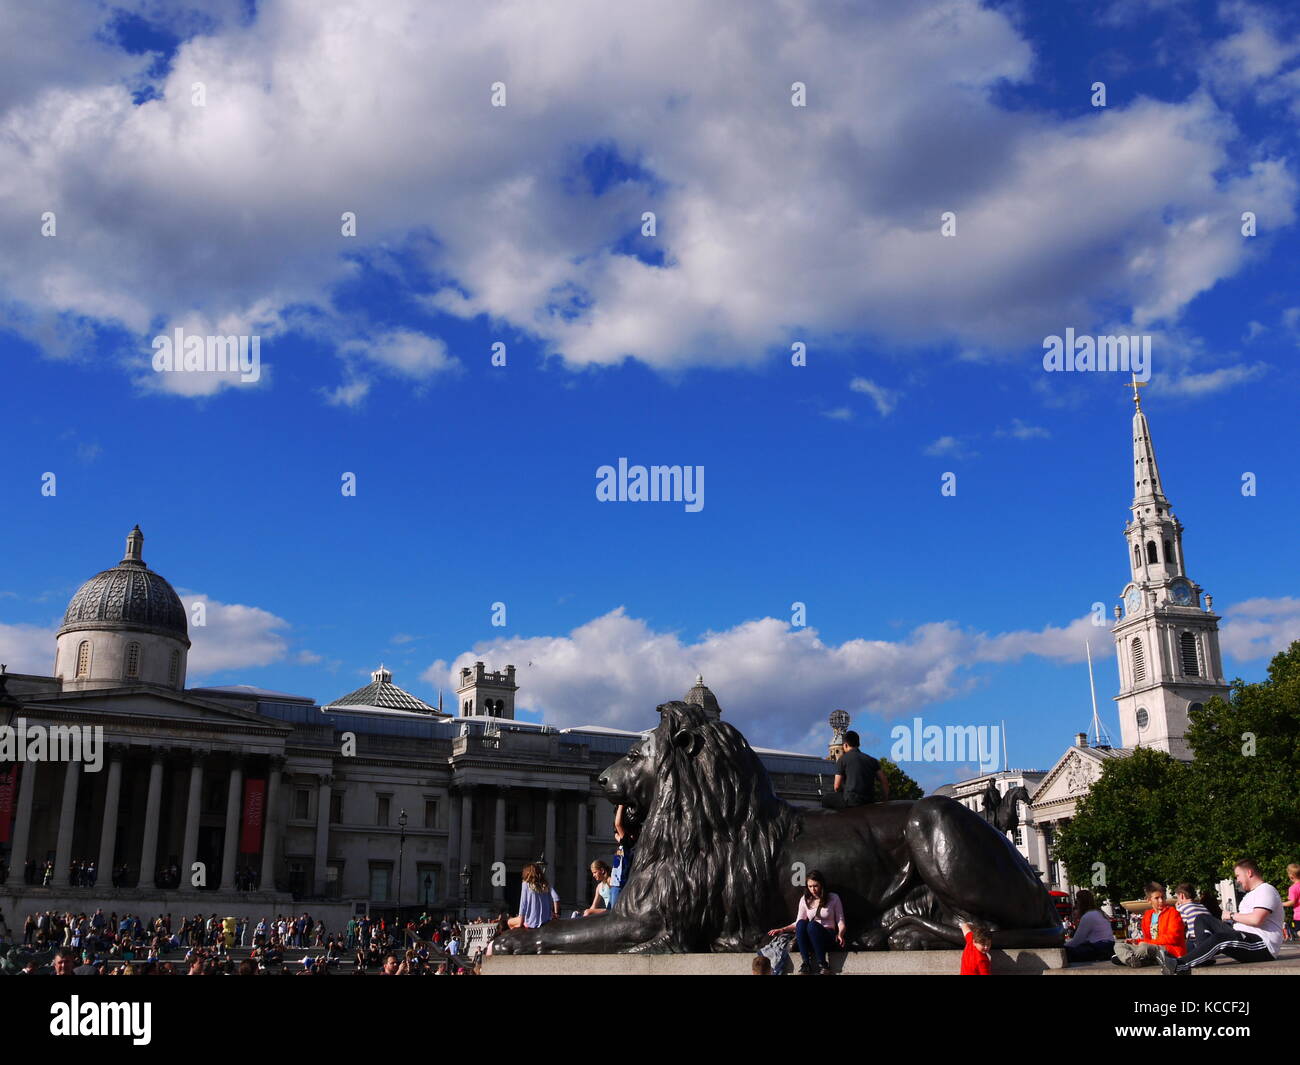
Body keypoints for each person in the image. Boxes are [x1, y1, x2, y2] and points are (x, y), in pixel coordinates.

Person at [1160, 861, 1282, 974]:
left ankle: (1180, 965)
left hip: (1262, 946)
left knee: (1220, 938)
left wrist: (1232, 915)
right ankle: (1204, 957)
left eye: (1238, 876)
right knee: (1202, 918)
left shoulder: (1266, 890)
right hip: (1243, 936)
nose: (1237, 880)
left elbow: (1257, 919)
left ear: (1249, 873)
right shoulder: (1250, 895)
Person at [766, 869, 845, 975]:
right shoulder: (805, 899)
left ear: (821, 884)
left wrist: (840, 934)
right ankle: (806, 964)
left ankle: (823, 964)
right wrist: (782, 929)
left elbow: (840, 920)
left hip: (827, 936)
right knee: (802, 923)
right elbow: (798, 922)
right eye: (810, 886)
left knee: (812, 925)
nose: (813, 889)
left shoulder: (833, 898)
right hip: (811, 938)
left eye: (815, 886)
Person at [1111, 882, 1184, 968]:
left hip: (1169, 950)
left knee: (1143, 946)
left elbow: (1173, 938)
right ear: (1149, 900)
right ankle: (1131, 959)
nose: (1161, 901)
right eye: (1157, 898)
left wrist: (1145, 943)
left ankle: (1131, 958)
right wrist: (1135, 941)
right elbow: (1147, 939)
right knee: (1119, 944)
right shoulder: (1148, 915)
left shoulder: (1173, 913)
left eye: (1163, 897)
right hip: (1150, 947)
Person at [821, 731, 889, 809]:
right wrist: (885, 800)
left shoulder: (842, 760)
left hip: (851, 801)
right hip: (870, 800)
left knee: (826, 798)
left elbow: (836, 786)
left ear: (845, 745)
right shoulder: (872, 760)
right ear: (858, 744)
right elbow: (884, 782)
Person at [1064, 890, 1115, 963]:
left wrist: (1062, 946)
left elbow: (1077, 941)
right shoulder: (1099, 913)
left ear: (1081, 903)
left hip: (1099, 949)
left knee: (1065, 951)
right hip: (1109, 947)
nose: (1076, 904)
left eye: (1076, 901)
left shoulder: (1088, 916)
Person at [507, 863, 561, 930]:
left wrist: (520, 917)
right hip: (547, 920)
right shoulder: (546, 884)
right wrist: (556, 914)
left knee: (509, 922)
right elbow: (556, 898)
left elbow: (523, 904)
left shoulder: (525, 884)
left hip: (531, 922)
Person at [1283, 863, 1300, 941]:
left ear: (1291, 876)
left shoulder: (1293, 888)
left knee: (1298, 931)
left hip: (1299, 915)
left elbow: (1292, 902)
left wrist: (1281, 904)